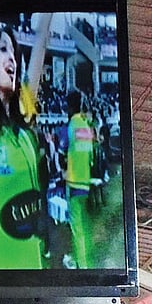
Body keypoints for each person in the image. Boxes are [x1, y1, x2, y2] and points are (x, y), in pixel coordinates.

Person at [0, 12, 54, 269]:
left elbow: (41, 42)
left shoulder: (24, 116)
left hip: (34, 271)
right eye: (3, 49)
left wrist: (49, 10)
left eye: (14, 52)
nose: (12, 58)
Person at [63, 90, 99, 269]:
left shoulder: (72, 124)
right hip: (86, 181)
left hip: (74, 182)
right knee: (85, 227)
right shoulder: (85, 124)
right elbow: (90, 154)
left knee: (77, 228)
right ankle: (85, 260)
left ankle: (81, 265)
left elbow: (64, 148)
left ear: (69, 106)